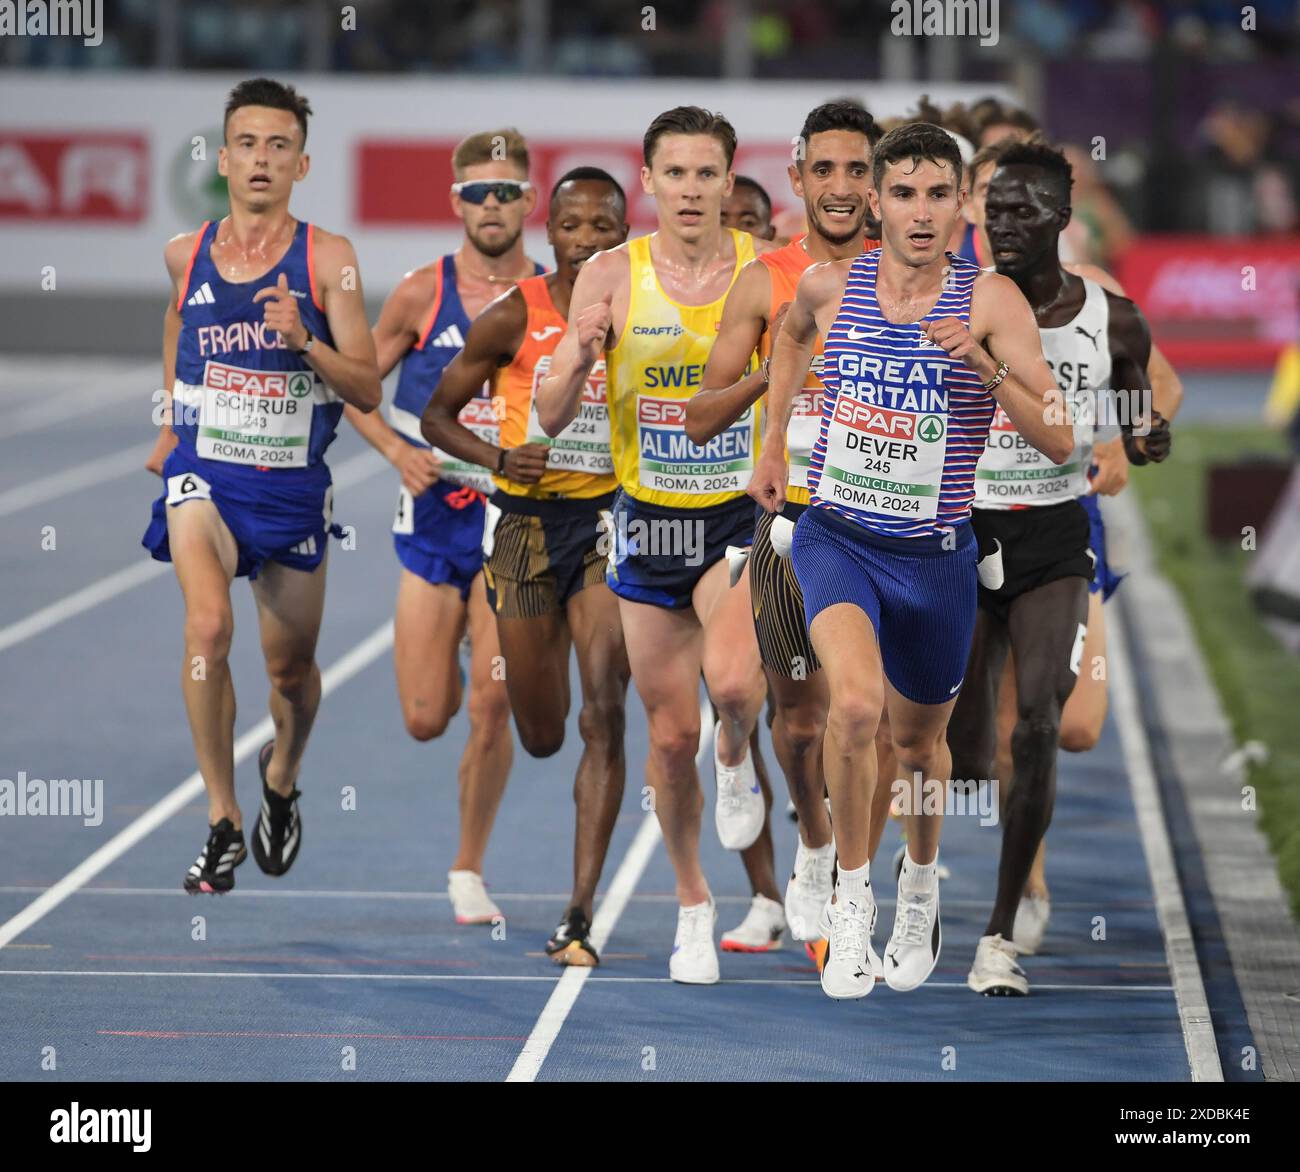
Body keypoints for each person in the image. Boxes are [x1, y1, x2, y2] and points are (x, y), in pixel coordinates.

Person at [749, 122, 1074, 999]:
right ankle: (852, 904)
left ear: (962, 201)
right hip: (837, 538)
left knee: (921, 746)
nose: (921, 213)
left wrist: (983, 365)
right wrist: (773, 445)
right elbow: (789, 340)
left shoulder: (991, 300)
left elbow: (1058, 438)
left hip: (934, 559)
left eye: (938, 195)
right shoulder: (829, 284)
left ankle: (919, 882)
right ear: (876, 202)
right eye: (903, 194)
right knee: (854, 708)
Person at [537, 106, 771, 984]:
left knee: (735, 686)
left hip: (737, 515)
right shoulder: (611, 273)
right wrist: (577, 356)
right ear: (649, 181)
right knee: (670, 742)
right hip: (647, 522)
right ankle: (692, 905)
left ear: (729, 180)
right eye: (675, 173)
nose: (691, 190)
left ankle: (738, 751)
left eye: (707, 174)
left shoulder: (764, 270)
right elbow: (551, 416)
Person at [142, 78, 381, 893]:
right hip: (204, 477)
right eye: (247, 144)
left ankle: (281, 775)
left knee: (290, 675)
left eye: (279, 147)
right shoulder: (185, 253)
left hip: (288, 492)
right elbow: (177, 321)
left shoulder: (330, 261)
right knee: (207, 629)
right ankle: (222, 818)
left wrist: (305, 339)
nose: (261, 160)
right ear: (222, 158)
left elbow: (368, 388)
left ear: (301, 165)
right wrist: (171, 418)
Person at [952, 141, 1171, 995]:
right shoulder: (953, 298)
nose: (1005, 224)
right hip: (959, 534)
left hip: (1053, 537)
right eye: (995, 209)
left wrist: (1143, 439)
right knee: (965, 757)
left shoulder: (1111, 315)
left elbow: (1140, 413)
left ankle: (1001, 933)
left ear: (1062, 219)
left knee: (1042, 725)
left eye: (1024, 211)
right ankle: (916, 860)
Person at [686, 101, 901, 955]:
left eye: (858, 171)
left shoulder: (917, 277)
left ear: (879, 185)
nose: (841, 187)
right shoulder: (763, 281)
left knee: (874, 719)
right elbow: (700, 417)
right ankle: (813, 845)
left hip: (890, 526)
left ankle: (852, 882)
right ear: (798, 178)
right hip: (794, 523)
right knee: (801, 721)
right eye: (825, 170)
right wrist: (779, 364)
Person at [421, 167, 631, 965]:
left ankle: (578, 914)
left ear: (623, 234)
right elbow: (437, 415)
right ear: (551, 234)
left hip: (608, 525)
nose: (586, 240)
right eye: (572, 225)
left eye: (603, 226)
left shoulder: (643, 312)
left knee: (603, 714)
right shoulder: (515, 313)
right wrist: (500, 457)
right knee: (542, 733)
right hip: (522, 530)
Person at [344, 128, 544, 924]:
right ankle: (458, 643)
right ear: (455, 201)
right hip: (432, 525)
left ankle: (468, 868)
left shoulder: (554, 294)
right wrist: (398, 450)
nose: (491, 205)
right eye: (476, 193)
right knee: (427, 718)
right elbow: (357, 386)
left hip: (514, 528)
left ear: (530, 200)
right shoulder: (420, 292)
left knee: (492, 706)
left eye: (506, 192)